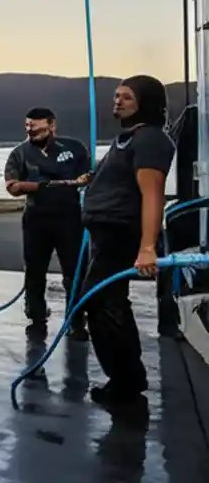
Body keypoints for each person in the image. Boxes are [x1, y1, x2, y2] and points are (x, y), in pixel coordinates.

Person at [79, 75, 175, 406]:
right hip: (105, 233)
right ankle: (127, 377)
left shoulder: (149, 140)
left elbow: (153, 196)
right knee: (104, 301)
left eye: (127, 98)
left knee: (102, 302)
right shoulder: (127, 139)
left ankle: (127, 381)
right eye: (117, 96)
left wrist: (147, 246)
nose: (117, 102)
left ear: (145, 104)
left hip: (122, 234)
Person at [3, 107, 92, 339]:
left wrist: (85, 180)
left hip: (70, 218)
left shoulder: (74, 148)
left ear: (52, 126)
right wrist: (46, 185)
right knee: (34, 270)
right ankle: (36, 316)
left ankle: (77, 319)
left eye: (36, 126)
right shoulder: (19, 154)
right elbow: (12, 186)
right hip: (36, 219)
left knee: (75, 271)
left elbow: (89, 175)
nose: (30, 131)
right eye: (28, 126)